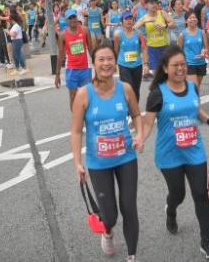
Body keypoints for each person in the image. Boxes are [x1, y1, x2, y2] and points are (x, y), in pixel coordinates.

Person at [142, 46, 209, 259]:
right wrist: (139, 139)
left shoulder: (192, 87)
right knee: (178, 193)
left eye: (183, 64)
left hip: (194, 151)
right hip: (170, 154)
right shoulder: (157, 93)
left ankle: (207, 241)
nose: (180, 68)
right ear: (166, 69)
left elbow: (195, 108)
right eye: (175, 65)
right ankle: (171, 210)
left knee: (200, 194)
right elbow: (148, 124)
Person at [70, 43, 144, 262]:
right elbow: (75, 132)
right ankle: (108, 231)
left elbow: (137, 115)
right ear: (93, 64)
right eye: (101, 59)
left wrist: (139, 134)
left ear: (116, 61)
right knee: (109, 215)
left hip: (126, 158)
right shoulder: (84, 94)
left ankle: (132, 256)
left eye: (110, 58)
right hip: (98, 162)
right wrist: (77, 162)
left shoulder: (126, 89)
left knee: (129, 207)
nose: (106, 63)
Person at [55, 9, 93, 110]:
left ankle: (88, 119)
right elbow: (60, 55)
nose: (72, 20)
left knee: (87, 96)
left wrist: (97, 66)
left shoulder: (85, 31)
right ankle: (76, 119)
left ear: (77, 18)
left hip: (85, 68)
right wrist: (57, 75)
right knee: (73, 96)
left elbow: (91, 50)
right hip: (71, 70)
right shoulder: (62, 35)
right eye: (70, 18)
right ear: (66, 21)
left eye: (74, 17)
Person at [135, 0, 174, 79]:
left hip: (164, 46)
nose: (154, 5)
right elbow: (133, 29)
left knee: (167, 72)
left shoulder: (162, 13)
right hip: (152, 48)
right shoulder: (144, 18)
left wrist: (165, 25)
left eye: (155, 3)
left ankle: (167, 89)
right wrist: (143, 37)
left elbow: (173, 24)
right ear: (146, 5)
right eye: (151, 3)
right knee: (157, 74)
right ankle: (160, 89)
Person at [113, 13, 148, 103]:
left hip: (137, 65)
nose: (129, 21)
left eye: (130, 19)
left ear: (133, 21)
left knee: (136, 89)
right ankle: (128, 111)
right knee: (127, 89)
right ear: (122, 22)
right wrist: (114, 64)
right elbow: (116, 51)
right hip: (124, 65)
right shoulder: (118, 35)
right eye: (126, 19)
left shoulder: (139, 34)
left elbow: (144, 48)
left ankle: (135, 110)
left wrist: (146, 64)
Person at [178, 11, 208, 91]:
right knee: (193, 85)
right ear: (186, 21)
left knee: (197, 85)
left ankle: (192, 99)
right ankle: (193, 101)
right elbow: (179, 51)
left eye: (194, 17)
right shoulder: (182, 34)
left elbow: (206, 47)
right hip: (189, 63)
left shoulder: (202, 32)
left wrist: (203, 52)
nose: (193, 19)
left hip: (201, 63)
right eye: (190, 18)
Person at [8, 10, 27, 75]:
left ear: (12, 19)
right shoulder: (15, 25)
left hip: (17, 41)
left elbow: (14, 35)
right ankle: (17, 68)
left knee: (17, 55)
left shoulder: (16, 26)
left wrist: (7, 32)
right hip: (15, 41)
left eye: (9, 19)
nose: (9, 20)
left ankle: (24, 68)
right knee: (14, 55)